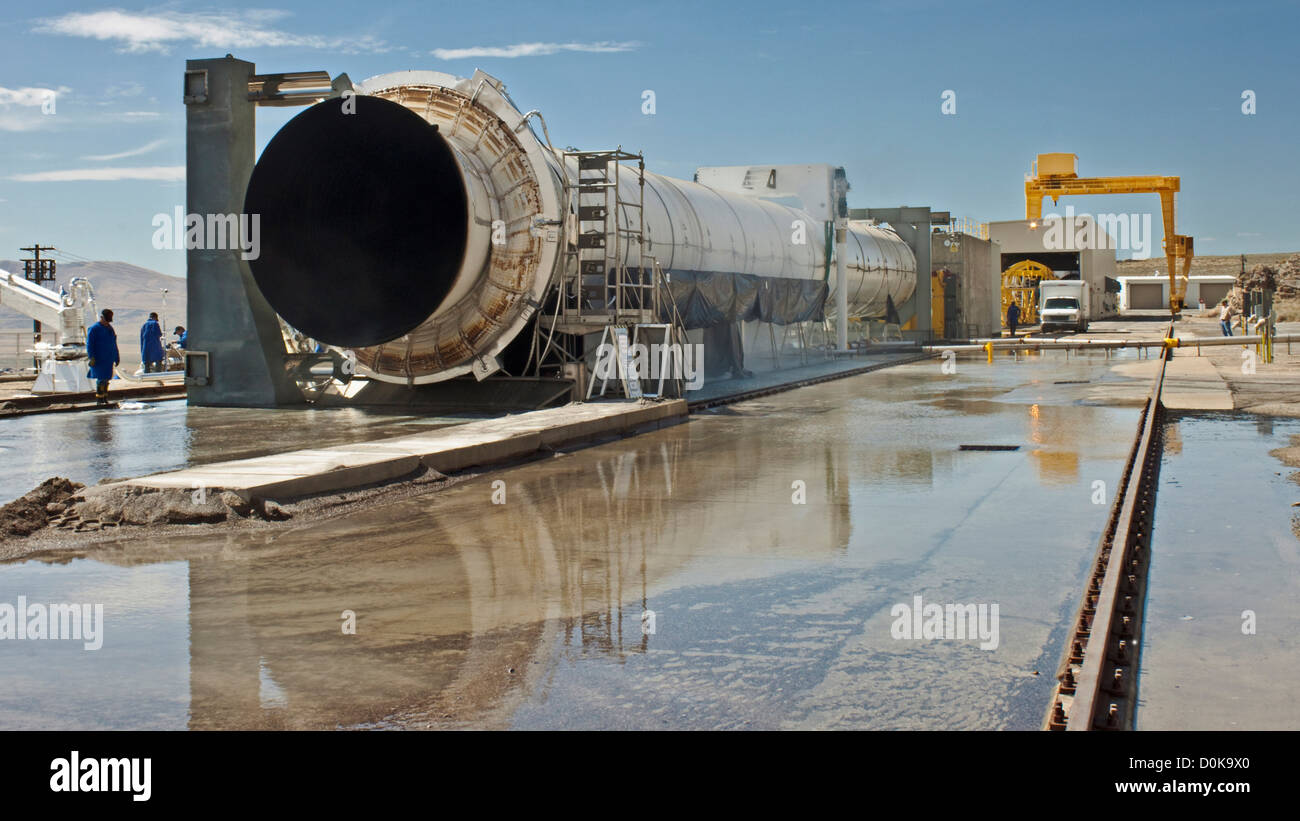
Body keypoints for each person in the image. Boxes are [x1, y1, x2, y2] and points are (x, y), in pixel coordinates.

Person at [86, 309, 120, 406]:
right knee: (101, 379)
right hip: (99, 359)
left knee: (106, 379)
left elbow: (114, 343)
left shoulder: (110, 329)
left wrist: (116, 356)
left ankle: (105, 398)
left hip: (108, 358)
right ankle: (100, 399)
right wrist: (91, 357)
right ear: (102, 318)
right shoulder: (94, 329)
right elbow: (89, 344)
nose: (107, 322)